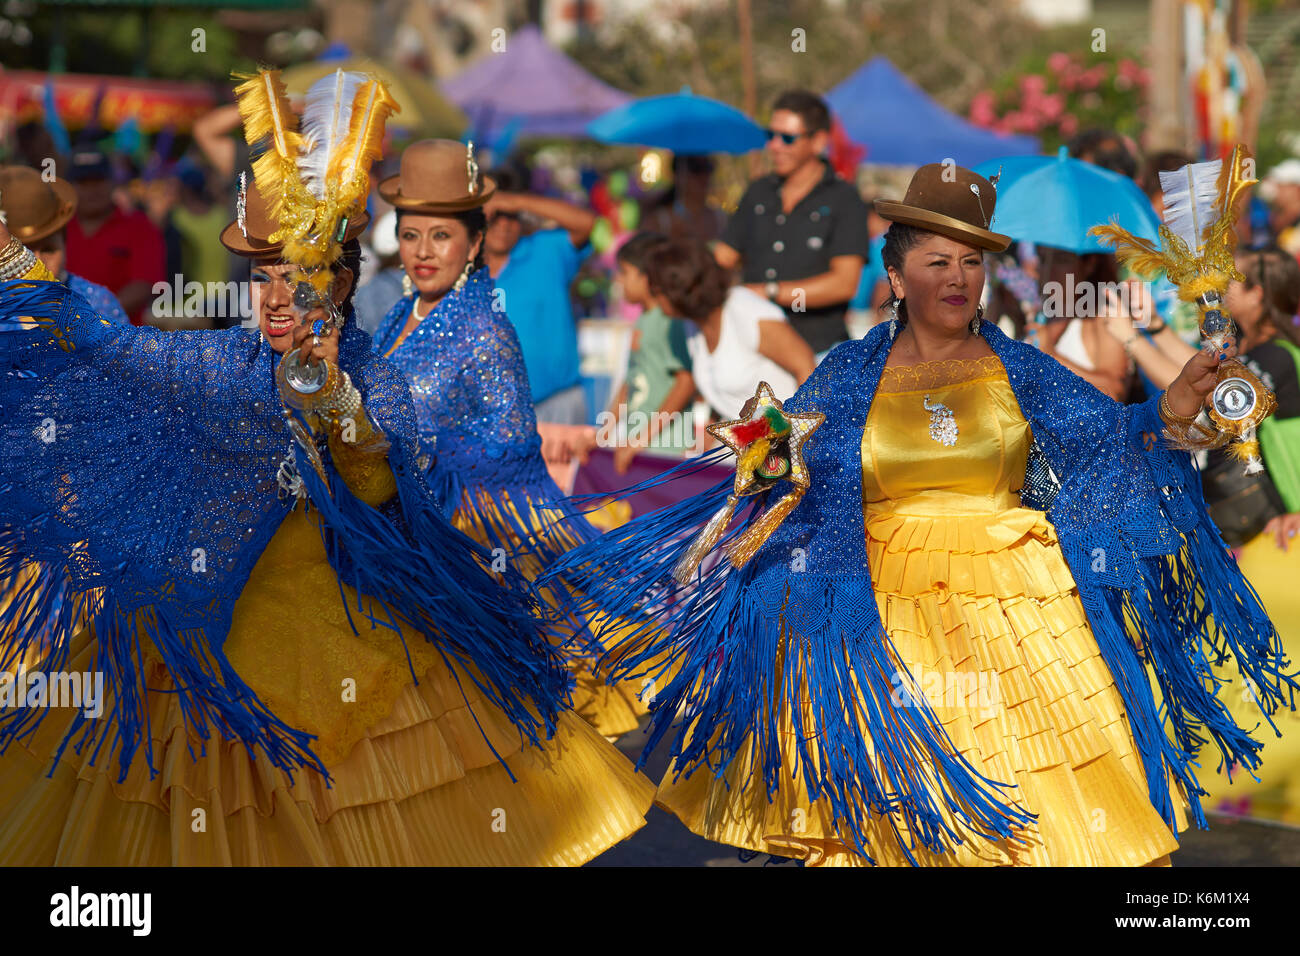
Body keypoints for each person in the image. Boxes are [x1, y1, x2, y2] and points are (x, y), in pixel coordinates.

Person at [546, 162, 1295, 867]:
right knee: (900, 811)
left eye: (973, 261)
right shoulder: (845, 373)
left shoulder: (1019, 366)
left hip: (1019, 613)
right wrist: (762, 457)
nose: (959, 277)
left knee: (1041, 796)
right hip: (881, 613)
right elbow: (784, 479)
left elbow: (1113, 441)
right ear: (896, 275)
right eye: (938, 261)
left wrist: (1177, 401)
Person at [0, 177, 654, 865]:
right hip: (212, 621)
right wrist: (13, 259)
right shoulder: (224, 362)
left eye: (298, 278)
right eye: (262, 277)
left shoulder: (377, 374)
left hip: (347, 631)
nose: (276, 298)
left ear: (341, 287)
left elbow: (378, 492)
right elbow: (110, 349)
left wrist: (339, 403)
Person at [371, 139, 660, 739]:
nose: (423, 252)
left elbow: (510, 451)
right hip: (405, 534)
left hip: (466, 546)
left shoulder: (483, 326)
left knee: (474, 717)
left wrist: (419, 456)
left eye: (441, 236)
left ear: (474, 243)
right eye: (411, 234)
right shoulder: (400, 317)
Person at [714, 90, 870, 359]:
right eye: (769, 135)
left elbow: (845, 283)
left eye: (787, 138)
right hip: (752, 351)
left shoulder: (845, 199)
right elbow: (723, 258)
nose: (774, 145)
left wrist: (770, 292)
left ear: (818, 141)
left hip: (818, 354)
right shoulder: (757, 192)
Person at [645, 238, 815, 421]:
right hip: (748, 443)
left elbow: (806, 367)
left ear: (678, 290)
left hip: (786, 439)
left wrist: (798, 434)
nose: (653, 299)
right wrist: (698, 448)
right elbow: (725, 402)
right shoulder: (692, 326)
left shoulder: (747, 311)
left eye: (656, 291)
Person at [480, 166, 596, 426]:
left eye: (512, 216)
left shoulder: (546, 251)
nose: (503, 224)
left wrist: (515, 200)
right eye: (495, 215)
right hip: (492, 413)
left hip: (558, 403)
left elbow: (587, 223)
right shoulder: (463, 265)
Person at [605, 231, 697, 473]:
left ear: (648, 277)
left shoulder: (669, 321)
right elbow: (630, 381)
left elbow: (685, 382)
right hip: (635, 448)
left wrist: (641, 439)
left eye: (624, 272)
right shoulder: (642, 320)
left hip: (664, 452)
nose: (618, 280)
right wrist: (604, 432)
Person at [0, 164, 127, 323]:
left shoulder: (99, 305)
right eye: (24, 252)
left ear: (65, 244)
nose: (37, 264)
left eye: (49, 250)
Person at [63, 150, 165, 326]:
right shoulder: (57, 230)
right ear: (70, 187)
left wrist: (93, 319)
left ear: (112, 183)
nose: (91, 189)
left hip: (122, 340)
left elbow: (143, 285)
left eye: (98, 181)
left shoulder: (140, 227)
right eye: (83, 182)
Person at [641, 154, 726, 243]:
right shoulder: (659, 223)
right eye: (696, 169)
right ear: (678, 175)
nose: (704, 176)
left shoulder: (720, 218)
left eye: (708, 167)